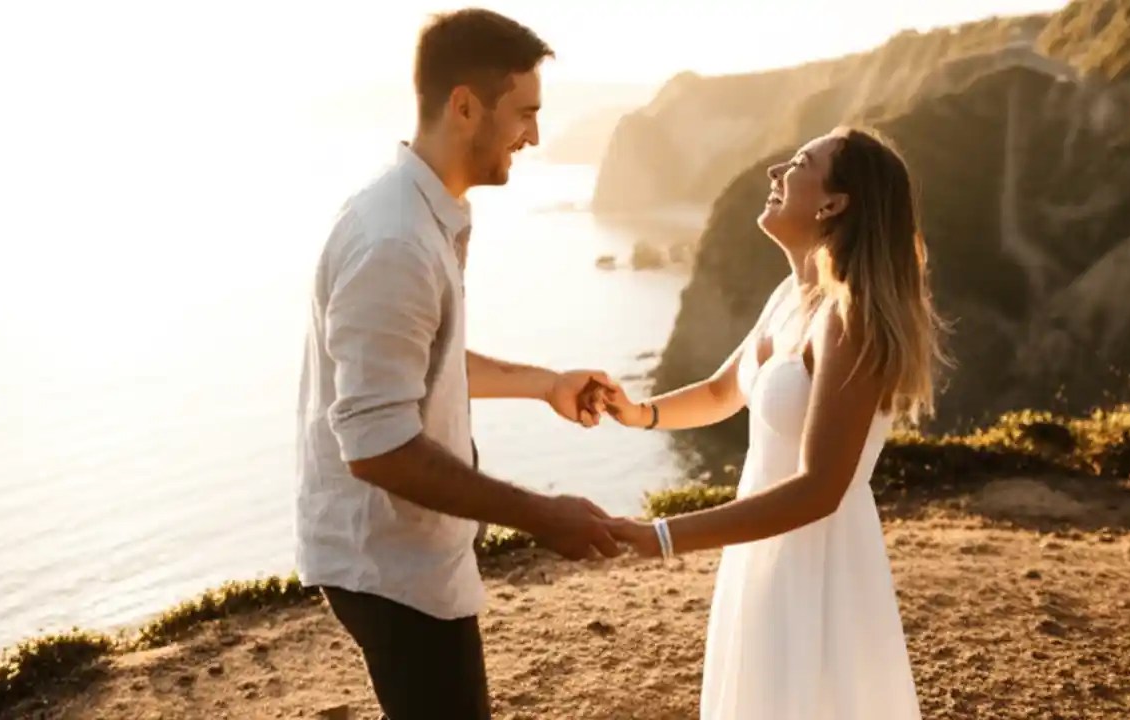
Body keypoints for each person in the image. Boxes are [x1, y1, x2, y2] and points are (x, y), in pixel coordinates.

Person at [294, 9, 621, 720]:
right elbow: (376, 447)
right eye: (525, 113)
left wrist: (545, 386)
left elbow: (425, 364)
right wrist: (542, 515)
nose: (534, 135)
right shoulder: (395, 242)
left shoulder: (421, 217)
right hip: (390, 564)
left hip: (412, 551)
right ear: (466, 106)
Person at [602, 127, 947, 719]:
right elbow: (720, 391)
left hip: (818, 564)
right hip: (762, 551)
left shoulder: (850, 318)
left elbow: (820, 489)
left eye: (798, 163)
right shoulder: (791, 295)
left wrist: (662, 536)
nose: (775, 173)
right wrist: (635, 413)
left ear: (833, 204)